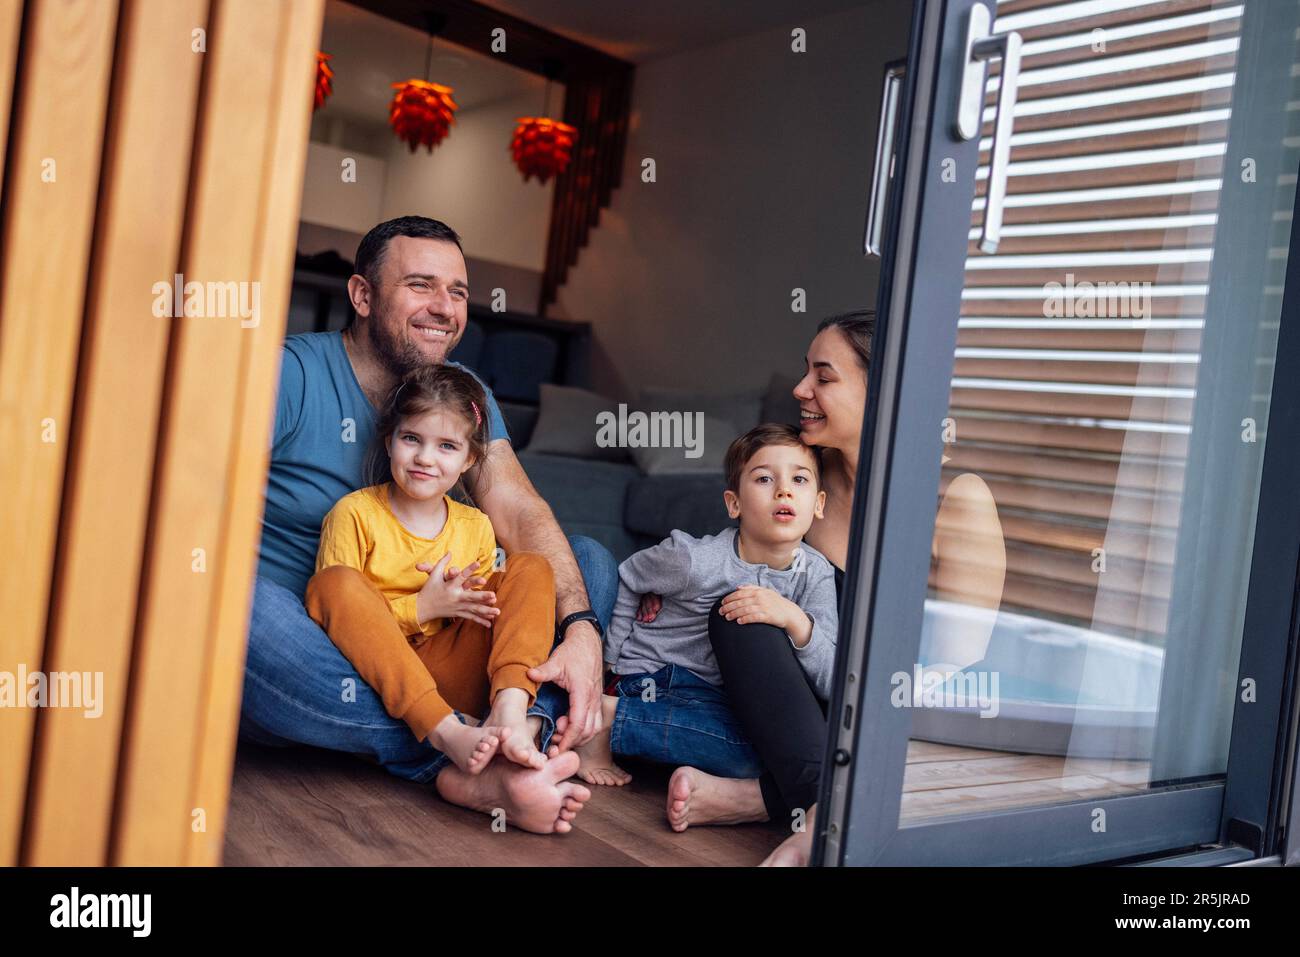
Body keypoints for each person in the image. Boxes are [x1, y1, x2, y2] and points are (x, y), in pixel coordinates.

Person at [240, 216, 617, 832]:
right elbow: (191, 505)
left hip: (442, 654)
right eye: (421, 285)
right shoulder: (290, 374)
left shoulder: (462, 394)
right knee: (238, 611)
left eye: (459, 292)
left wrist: (582, 630)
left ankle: (509, 729)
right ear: (362, 296)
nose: (444, 309)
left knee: (586, 566)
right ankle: (458, 758)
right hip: (312, 656)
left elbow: (519, 509)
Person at [638, 311, 1006, 864]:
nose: (800, 389)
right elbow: (737, 557)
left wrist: (867, 701)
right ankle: (818, 807)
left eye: (823, 376)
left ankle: (787, 810)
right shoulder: (808, 478)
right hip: (811, 694)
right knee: (739, 613)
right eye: (806, 371)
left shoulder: (957, 497)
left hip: (900, 706)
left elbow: (960, 665)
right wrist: (671, 590)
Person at [568, 425, 838, 797]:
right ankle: (604, 715)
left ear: (819, 504)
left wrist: (794, 619)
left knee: (761, 754)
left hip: (716, 697)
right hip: (653, 679)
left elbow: (829, 678)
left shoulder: (817, 573)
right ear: (734, 503)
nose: (784, 490)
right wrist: (607, 663)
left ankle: (614, 722)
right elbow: (629, 577)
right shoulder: (694, 560)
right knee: (747, 757)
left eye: (799, 479)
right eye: (763, 478)